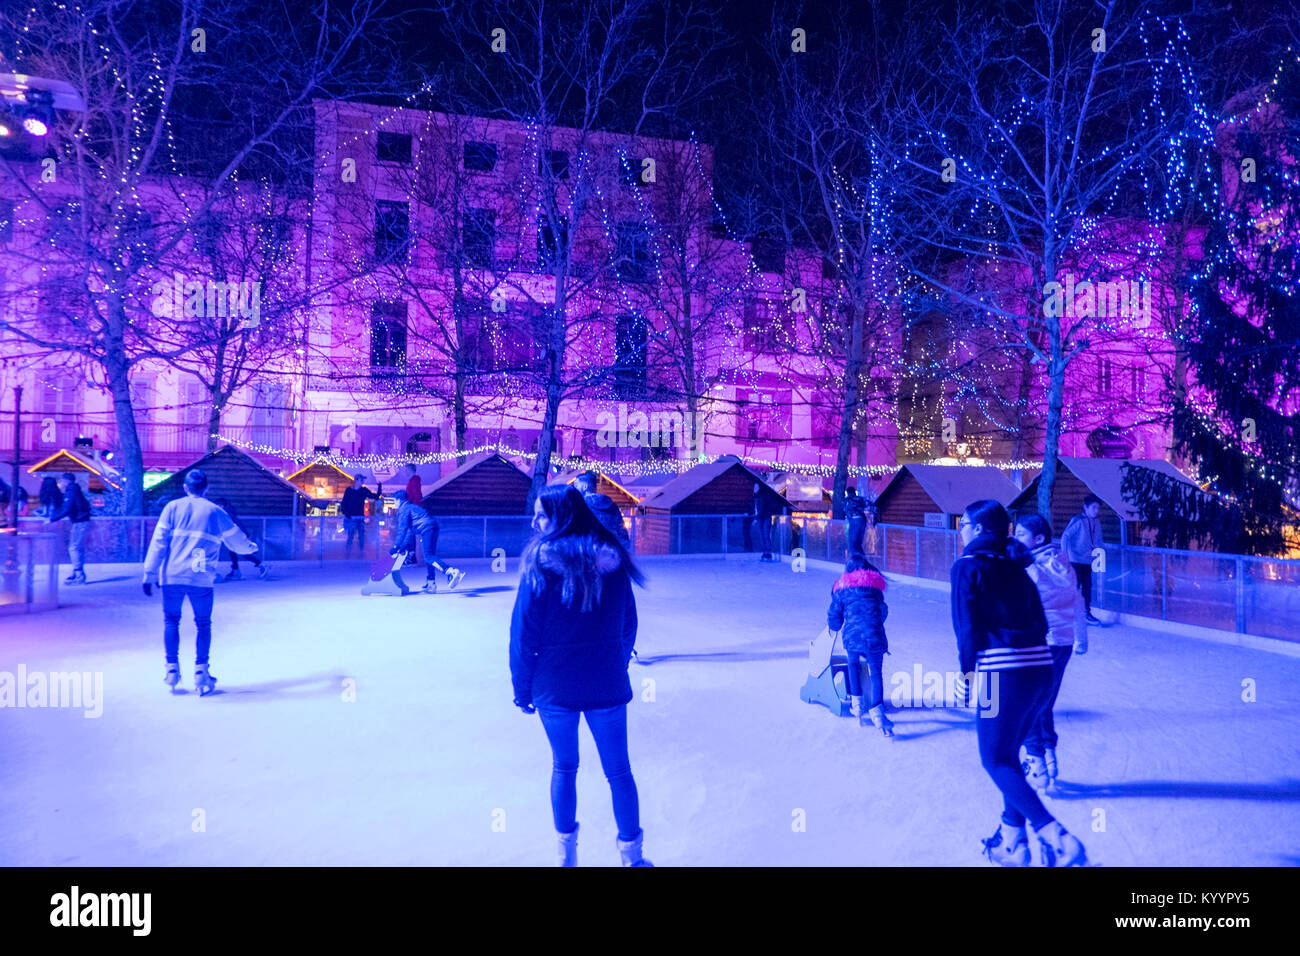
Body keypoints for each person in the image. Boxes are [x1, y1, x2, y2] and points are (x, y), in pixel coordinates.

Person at [509, 485, 650, 867]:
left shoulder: (540, 562)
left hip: (555, 688)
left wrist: (523, 689)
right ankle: (632, 858)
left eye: (541, 515)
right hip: (605, 684)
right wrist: (613, 663)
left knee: (564, 767)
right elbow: (628, 623)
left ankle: (566, 857)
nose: (534, 522)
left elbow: (523, 634)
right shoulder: (612, 559)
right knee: (619, 771)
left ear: (562, 516)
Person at [952, 499, 1087, 867]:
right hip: (1040, 671)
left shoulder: (967, 566)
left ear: (978, 529)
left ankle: (1059, 840)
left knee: (995, 760)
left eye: (963, 523)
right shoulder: (1018, 566)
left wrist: (966, 674)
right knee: (1010, 758)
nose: (960, 529)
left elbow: (966, 629)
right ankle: (1012, 838)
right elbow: (1041, 622)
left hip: (1003, 676)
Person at [142, 469, 258, 696]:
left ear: (185, 488)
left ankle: (172, 669)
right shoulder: (215, 511)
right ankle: (201, 671)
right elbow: (236, 541)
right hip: (201, 578)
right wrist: (252, 548)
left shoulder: (172, 508)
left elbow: (159, 542)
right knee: (203, 624)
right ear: (206, 488)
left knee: (171, 621)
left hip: (172, 576)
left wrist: (149, 573)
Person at [1013, 513, 1088, 790]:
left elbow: (1043, 587)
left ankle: (1037, 761)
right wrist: (1080, 638)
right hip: (1060, 642)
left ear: (1039, 539)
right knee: (1043, 701)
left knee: (1028, 701)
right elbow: (1076, 599)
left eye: (1021, 534)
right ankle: (1048, 757)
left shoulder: (1043, 564)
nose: (1015, 538)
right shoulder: (1060, 562)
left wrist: (1024, 562)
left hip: (1046, 641)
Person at [826, 552, 891, 736]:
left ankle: (857, 704)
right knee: (876, 673)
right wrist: (874, 622)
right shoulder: (875, 589)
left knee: (853, 666)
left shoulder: (842, 589)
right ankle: (877, 711)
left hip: (853, 637)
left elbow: (834, 615)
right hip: (874, 636)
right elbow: (883, 611)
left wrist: (834, 626)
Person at [390, 490, 464, 592]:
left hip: (426, 529)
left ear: (399, 500)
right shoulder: (412, 507)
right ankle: (431, 583)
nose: (394, 504)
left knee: (428, 556)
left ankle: (450, 571)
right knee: (430, 556)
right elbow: (408, 532)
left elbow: (402, 530)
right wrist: (401, 546)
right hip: (433, 527)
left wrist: (395, 546)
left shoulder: (404, 509)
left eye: (394, 501)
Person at [1061, 495, 1104, 625]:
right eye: (1093, 507)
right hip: (1075, 560)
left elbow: (1099, 541)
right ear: (1085, 507)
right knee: (1075, 587)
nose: (1096, 511)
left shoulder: (1097, 522)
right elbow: (1065, 537)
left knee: (1087, 588)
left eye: (1097, 508)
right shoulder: (1078, 520)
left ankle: (1086, 613)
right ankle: (1067, 613)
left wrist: (1099, 553)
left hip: (1088, 561)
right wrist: (1065, 555)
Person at [46, 472, 92, 585]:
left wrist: (52, 519)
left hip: (80, 521)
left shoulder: (71, 491)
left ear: (66, 481)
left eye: (61, 481)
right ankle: (77, 572)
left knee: (74, 547)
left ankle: (79, 574)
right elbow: (65, 508)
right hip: (80, 520)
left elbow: (66, 509)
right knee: (76, 547)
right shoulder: (72, 490)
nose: (60, 484)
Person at [213, 498, 269, 581]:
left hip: (234, 535)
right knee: (233, 552)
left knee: (239, 552)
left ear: (222, 506)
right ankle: (236, 570)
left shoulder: (227, 513)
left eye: (219, 505)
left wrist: (246, 533)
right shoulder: (222, 513)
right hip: (228, 536)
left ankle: (258, 563)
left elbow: (237, 522)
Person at [574, 470, 628, 544]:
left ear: (585, 487)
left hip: (590, 547)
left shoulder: (581, 506)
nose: (574, 488)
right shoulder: (611, 505)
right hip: (610, 546)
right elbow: (620, 528)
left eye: (576, 485)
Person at [340, 474, 380, 557]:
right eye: (361, 480)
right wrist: (346, 513)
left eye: (363, 480)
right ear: (357, 480)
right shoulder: (349, 490)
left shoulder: (363, 490)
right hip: (351, 518)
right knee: (351, 535)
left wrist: (379, 488)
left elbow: (375, 497)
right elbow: (344, 503)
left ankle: (361, 553)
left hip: (359, 517)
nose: (363, 482)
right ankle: (348, 553)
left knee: (361, 535)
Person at [751, 481, 776, 561]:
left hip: (765, 518)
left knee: (765, 535)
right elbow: (756, 508)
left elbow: (761, 509)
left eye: (756, 487)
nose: (754, 489)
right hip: (762, 518)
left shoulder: (762, 496)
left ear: (759, 488)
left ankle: (768, 553)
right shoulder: (757, 496)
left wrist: (756, 518)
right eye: (754, 487)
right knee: (763, 536)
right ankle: (765, 552)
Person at [844, 486, 868, 556]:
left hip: (854, 520)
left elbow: (845, 510)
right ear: (854, 492)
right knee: (859, 542)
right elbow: (870, 505)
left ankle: (855, 561)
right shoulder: (861, 499)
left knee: (852, 542)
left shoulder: (847, 500)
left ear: (848, 492)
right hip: (863, 521)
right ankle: (862, 559)